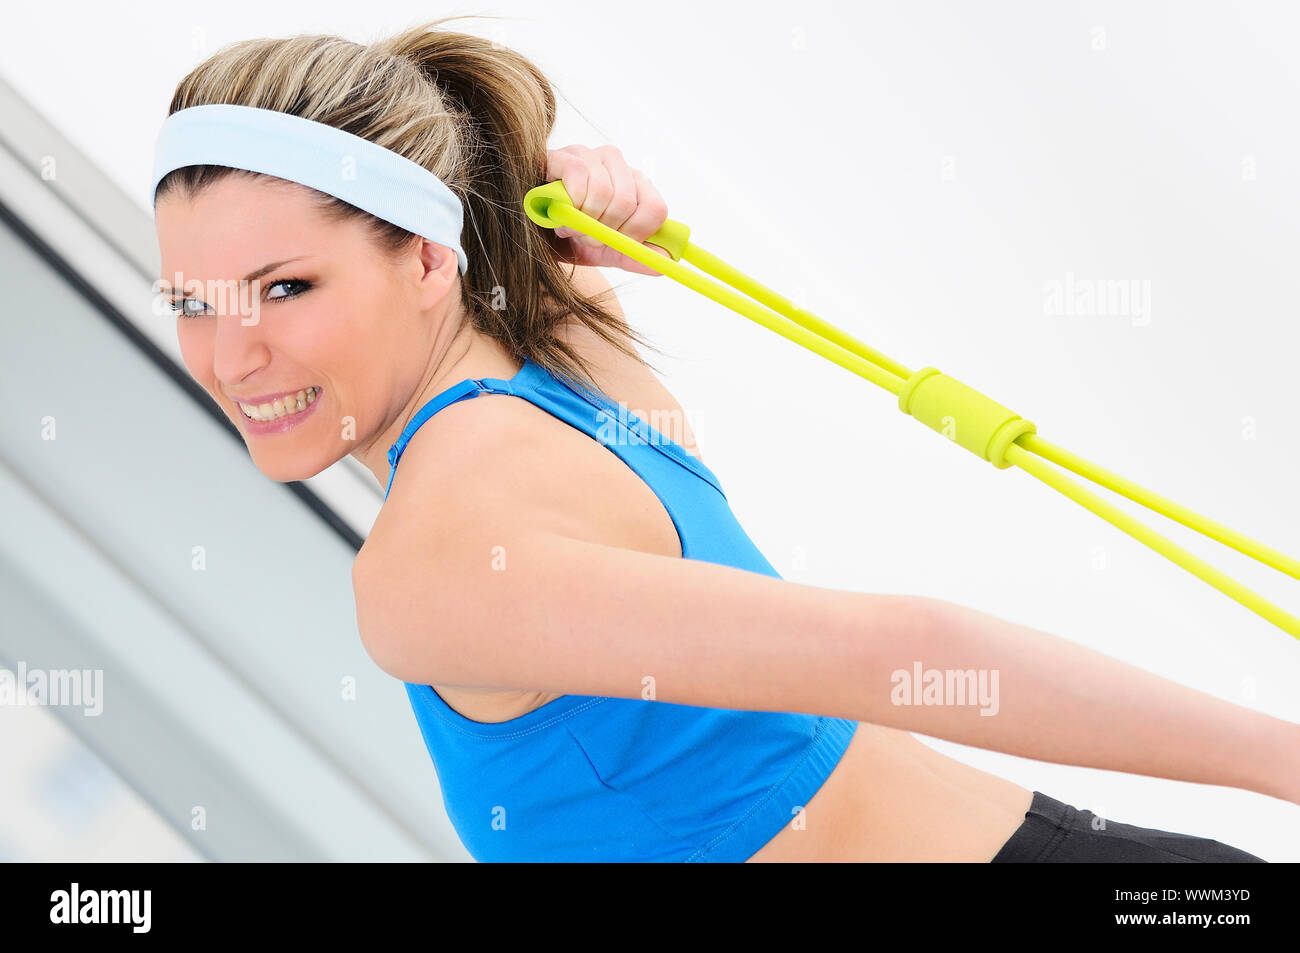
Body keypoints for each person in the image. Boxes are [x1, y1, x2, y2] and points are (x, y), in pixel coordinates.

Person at [150, 16, 1295, 862]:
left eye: (286, 286)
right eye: (194, 302)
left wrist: (1277, 754)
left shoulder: (426, 564)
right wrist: (575, 201)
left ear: (426, 256)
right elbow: (539, 231)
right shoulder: (565, 356)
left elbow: (900, 650)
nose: (233, 355)